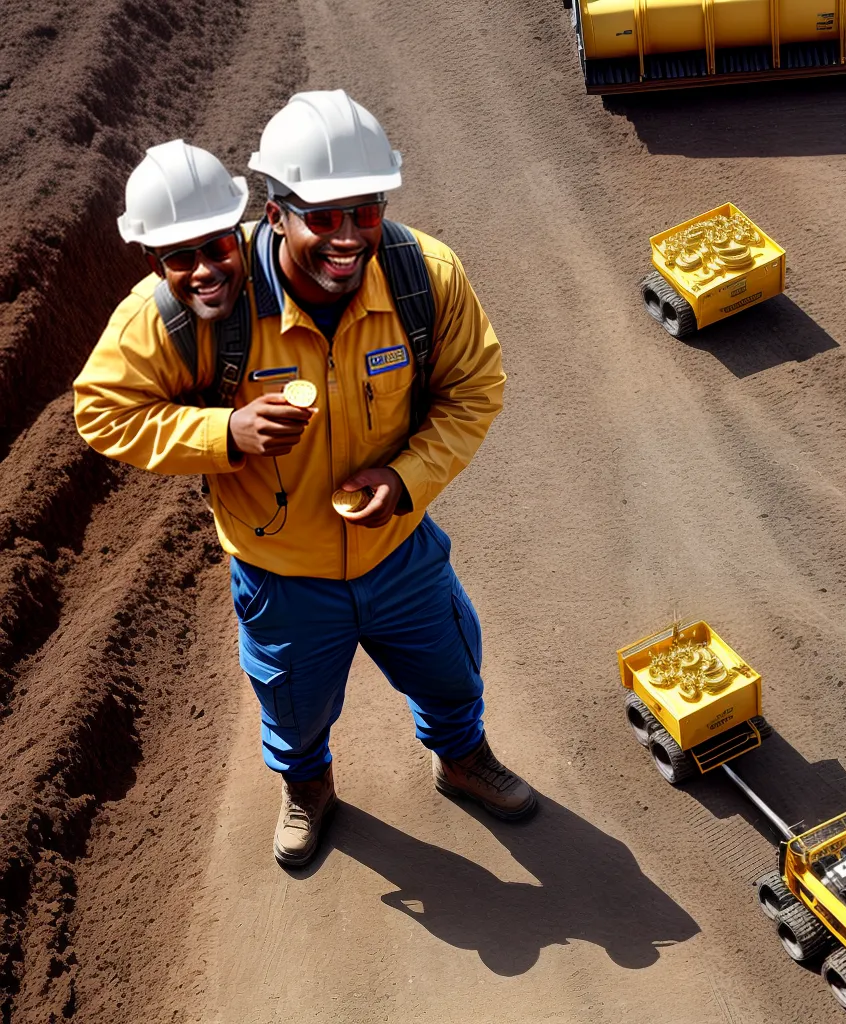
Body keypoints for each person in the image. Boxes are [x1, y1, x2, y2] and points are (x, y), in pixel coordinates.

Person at [74, 92, 536, 870]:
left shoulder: (424, 277)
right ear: (277, 210)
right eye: (323, 215)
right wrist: (225, 432)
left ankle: (462, 760)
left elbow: (474, 388)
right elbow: (103, 410)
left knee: (452, 669)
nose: (348, 236)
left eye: (365, 211)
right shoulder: (199, 308)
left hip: (398, 553)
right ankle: (309, 789)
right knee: (294, 709)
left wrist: (407, 477)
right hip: (283, 575)